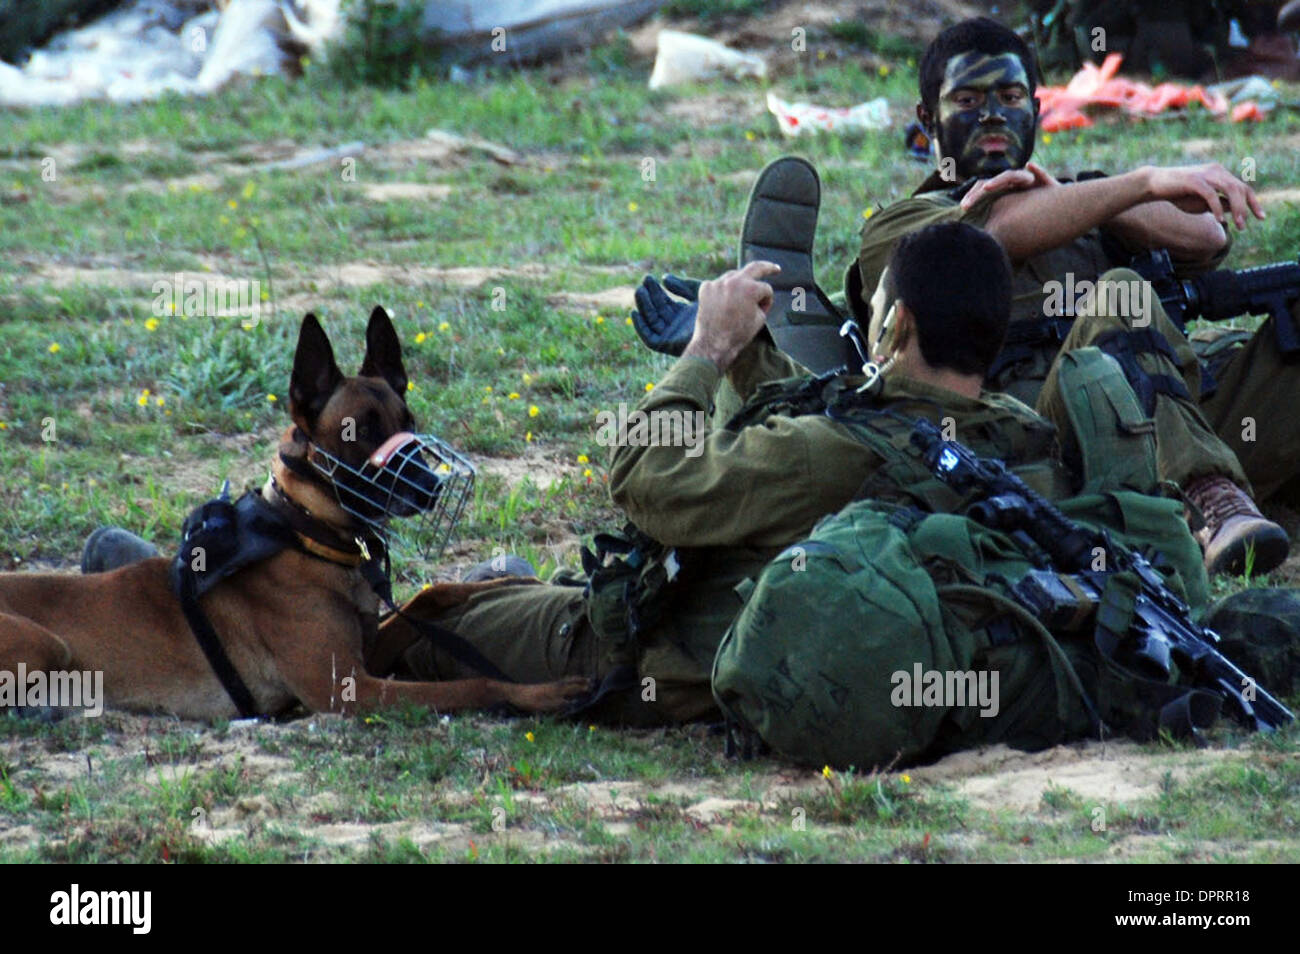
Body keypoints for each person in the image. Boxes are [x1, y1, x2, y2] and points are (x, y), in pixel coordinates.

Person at [849, 15, 1294, 577]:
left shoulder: (1085, 201)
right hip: (1033, 445)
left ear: (1036, 111)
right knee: (1121, 296)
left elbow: (1207, 238)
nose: (991, 114)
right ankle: (1209, 500)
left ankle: (1231, 487)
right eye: (967, 98)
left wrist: (1089, 197)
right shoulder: (908, 224)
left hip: (1163, 425)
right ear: (926, 119)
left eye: (1010, 96)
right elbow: (1004, 228)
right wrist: (1142, 181)